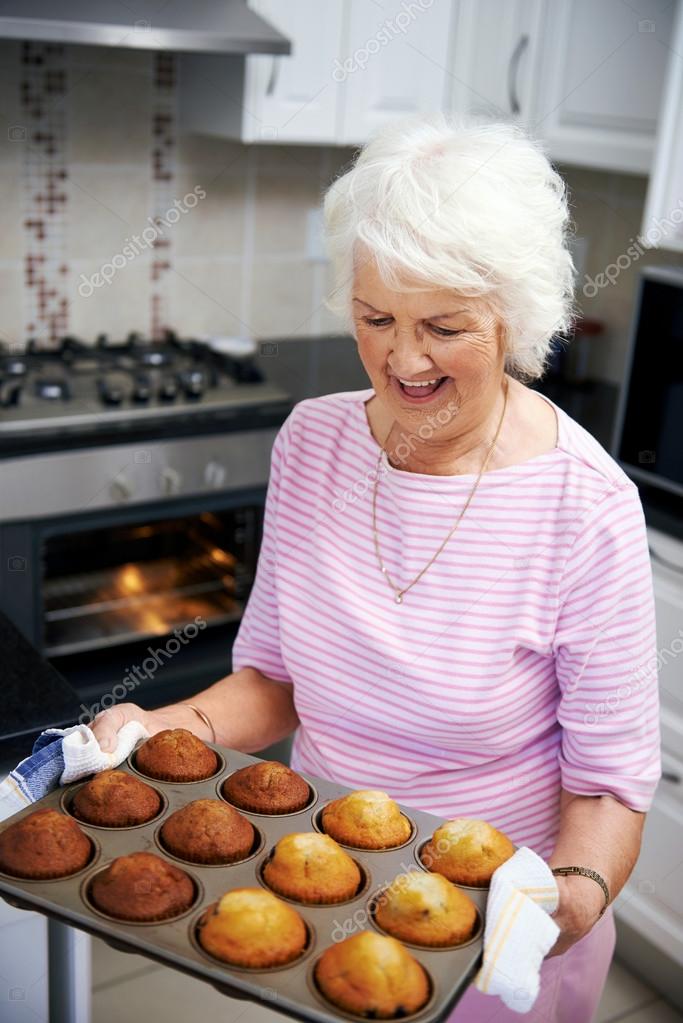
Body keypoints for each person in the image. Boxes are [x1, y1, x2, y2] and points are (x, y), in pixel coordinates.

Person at [93, 114, 661, 1022]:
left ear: (512, 316)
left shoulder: (583, 507)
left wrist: (568, 898)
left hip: (488, 940)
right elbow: (273, 683)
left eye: (443, 325)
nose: (402, 358)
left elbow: (604, 785)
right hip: (318, 908)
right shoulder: (313, 442)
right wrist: (148, 729)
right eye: (374, 317)